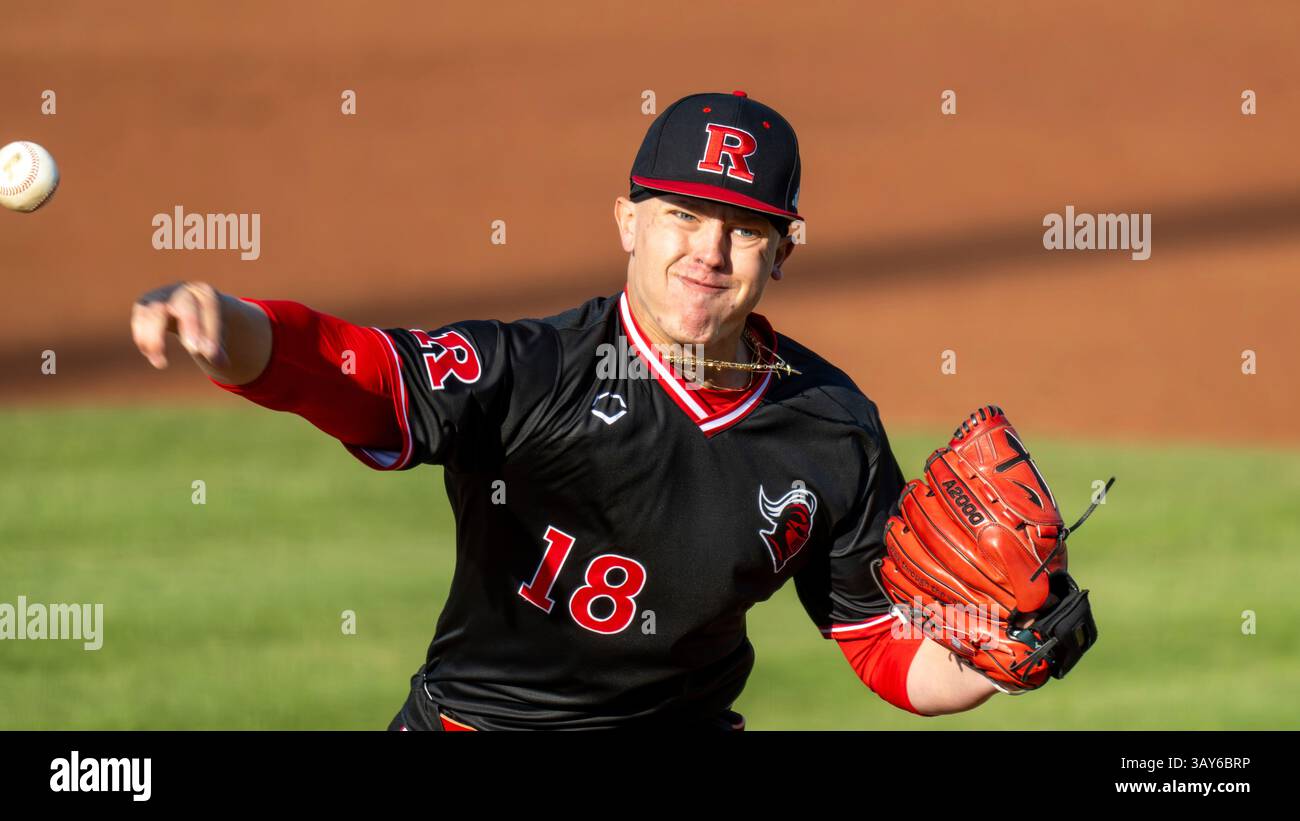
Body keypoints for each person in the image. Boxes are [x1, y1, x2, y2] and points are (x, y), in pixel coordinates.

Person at [130, 90, 997, 730]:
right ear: (628, 221)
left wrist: (1001, 651)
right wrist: (232, 328)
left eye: (743, 228)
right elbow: (362, 374)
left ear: (784, 252)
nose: (709, 250)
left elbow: (880, 638)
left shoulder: (830, 425)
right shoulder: (534, 373)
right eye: (683, 216)